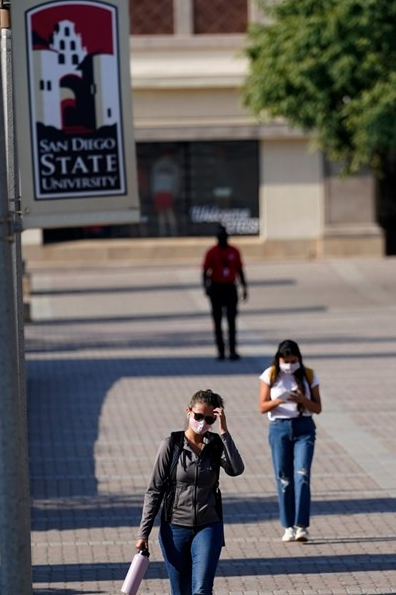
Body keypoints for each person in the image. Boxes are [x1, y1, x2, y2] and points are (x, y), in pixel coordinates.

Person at [136, 389, 244, 595]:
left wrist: (224, 433)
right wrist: (144, 533)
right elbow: (154, 491)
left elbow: (236, 469)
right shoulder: (171, 445)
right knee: (180, 591)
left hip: (208, 526)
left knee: (202, 589)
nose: (203, 422)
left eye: (209, 419)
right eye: (199, 416)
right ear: (188, 412)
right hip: (174, 528)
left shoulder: (215, 445)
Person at [258, 339, 323, 542]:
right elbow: (262, 406)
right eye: (286, 361)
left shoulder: (308, 374)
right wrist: (280, 399)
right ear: (279, 359)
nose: (290, 365)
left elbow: (318, 408)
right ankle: (288, 526)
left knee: (302, 475)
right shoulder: (270, 374)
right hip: (279, 428)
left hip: (304, 427)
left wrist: (302, 400)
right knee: (284, 477)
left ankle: (301, 526)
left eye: (294, 360)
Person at [202, 225, 248, 361]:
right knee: (217, 321)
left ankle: (232, 350)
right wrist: (206, 287)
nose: (222, 239)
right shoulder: (212, 252)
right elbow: (205, 271)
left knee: (231, 320)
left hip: (230, 288)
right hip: (216, 288)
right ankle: (221, 351)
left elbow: (239, 270)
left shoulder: (234, 251)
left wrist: (244, 287)